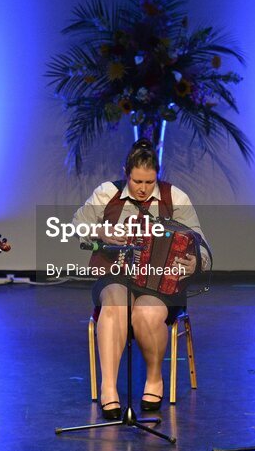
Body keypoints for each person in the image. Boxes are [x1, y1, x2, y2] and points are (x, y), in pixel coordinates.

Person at [72, 139, 209, 418]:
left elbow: (200, 242)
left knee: (146, 314)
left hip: (159, 282)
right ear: (126, 173)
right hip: (114, 273)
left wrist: (195, 263)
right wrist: (101, 232)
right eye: (137, 181)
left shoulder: (175, 198)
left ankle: (154, 377)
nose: (143, 189)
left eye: (149, 182)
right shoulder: (107, 193)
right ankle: (109, 387)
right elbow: (76, 224)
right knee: (114, 303)